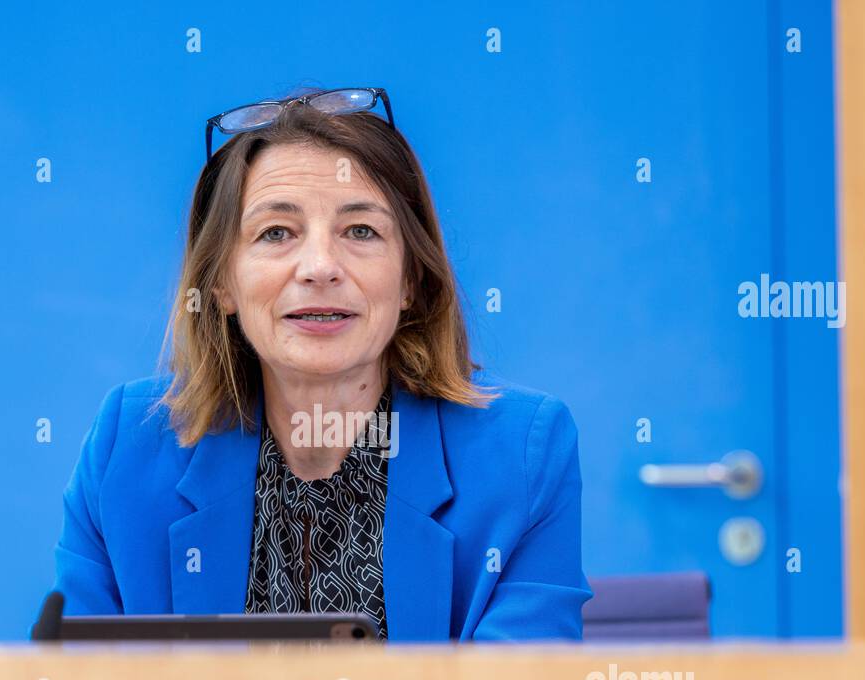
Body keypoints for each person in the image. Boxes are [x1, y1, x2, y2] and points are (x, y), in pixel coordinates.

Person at [54, 87, 591, 641]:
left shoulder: (523, 453)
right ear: (220, 283)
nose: (319, 267)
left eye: (360, 231)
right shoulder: (127, 445)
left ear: (410, 278)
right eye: (276, 233)